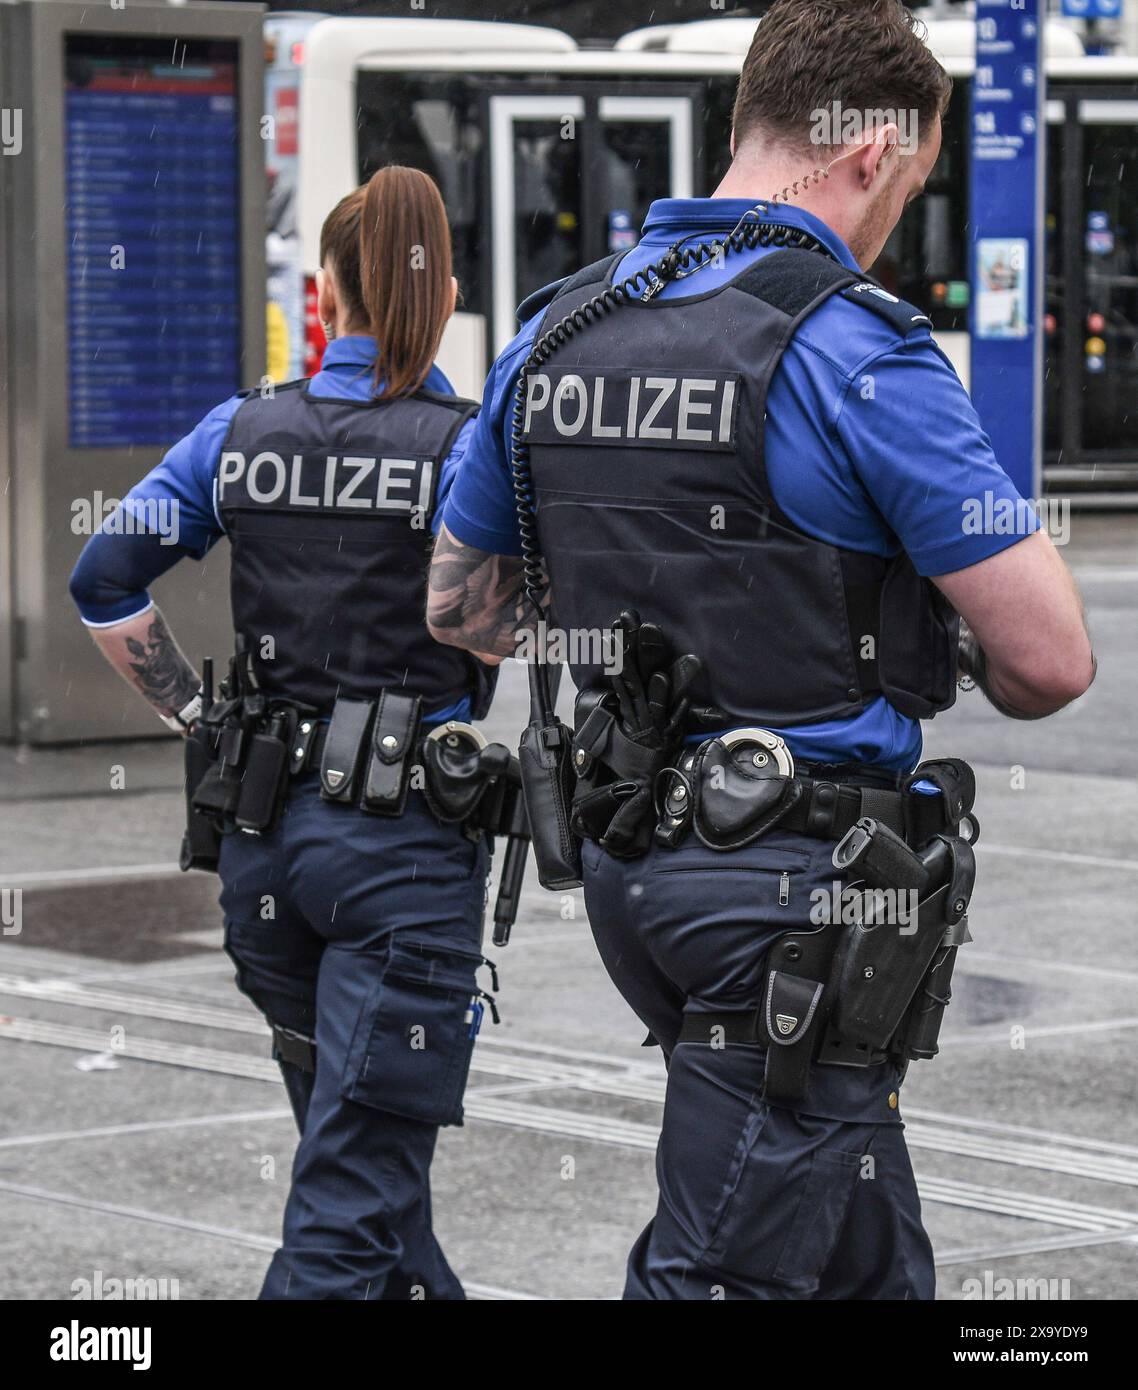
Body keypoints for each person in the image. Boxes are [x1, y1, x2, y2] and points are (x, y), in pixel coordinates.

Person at [424, 0, 1096, 1300]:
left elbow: (463, 610)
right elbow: (1050, 657)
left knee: (859, 1251)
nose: (901, 207)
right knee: (717, 1272)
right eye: (912, 179)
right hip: (797, 901)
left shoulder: (556, 329)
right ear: (866, 152)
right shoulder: (856, 351)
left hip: (637, 873)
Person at [70, 166, 500, 1300]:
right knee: (350, 1208)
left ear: (326, 294)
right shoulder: (463, 448)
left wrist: (199, 717)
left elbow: (102, 579)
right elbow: (490, 630)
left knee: (357, 1164)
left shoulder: (239, 430)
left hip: (263, 848)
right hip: (402, 854)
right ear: (442, 292)